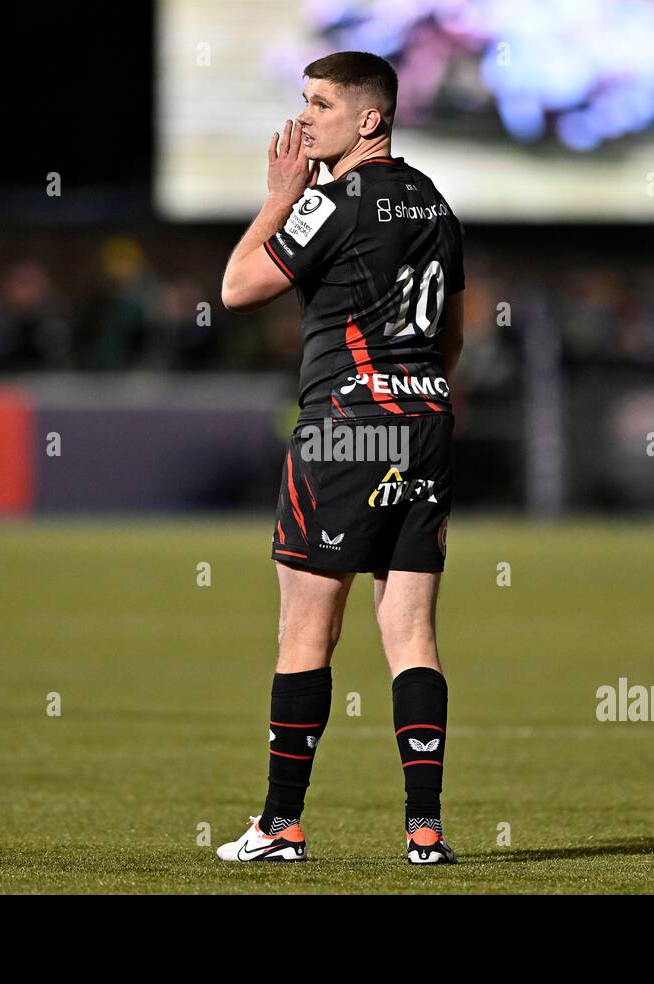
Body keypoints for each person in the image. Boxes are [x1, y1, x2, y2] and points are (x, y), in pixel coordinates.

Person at [218, 51, 465, 864]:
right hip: (425, 422)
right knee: (411, 630)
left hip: (345, 429)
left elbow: (239, 286)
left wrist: (278, 199)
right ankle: (423, 829)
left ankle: (281, 825)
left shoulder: (333, 201)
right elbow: (451, 337)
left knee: (304, 633)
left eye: (320, 104)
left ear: (370, 120)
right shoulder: (434, 202)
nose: (305, 119)